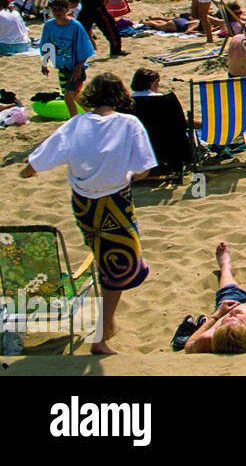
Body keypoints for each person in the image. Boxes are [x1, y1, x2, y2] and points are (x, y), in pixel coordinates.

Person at [19, 73, 155, 354]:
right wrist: (126, 174)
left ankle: (105, 328)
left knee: (106, 257)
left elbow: (41, 158)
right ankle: (102, 333)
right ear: (119, 96)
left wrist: (28, 171)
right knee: (117, 265)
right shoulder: (129, 123)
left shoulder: (77, 123)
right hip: (116, 202)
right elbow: (144, 169)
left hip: (84, 206)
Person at [39, 0, 96, 117]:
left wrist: (78, 69)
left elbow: (84, 48)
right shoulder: (49, 26)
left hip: (76, 68)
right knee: (75, 96)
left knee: (68, 98)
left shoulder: (75, 26)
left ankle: (73, 123)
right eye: (54, 10)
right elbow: (47, 46)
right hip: (62, 67)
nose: (57, 13)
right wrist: (45, 63)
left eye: (60, 9)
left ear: (67, 9)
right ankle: (93, 115)